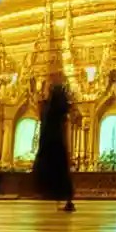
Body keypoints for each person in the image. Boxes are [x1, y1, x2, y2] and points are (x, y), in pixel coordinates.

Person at [32, 82, 75, 212]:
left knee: (55, 171)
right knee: (60, 172)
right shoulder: (55, 108)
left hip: (50, 142)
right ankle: (65, 198)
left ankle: (60, 197)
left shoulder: (49, 108)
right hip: (55, 142)